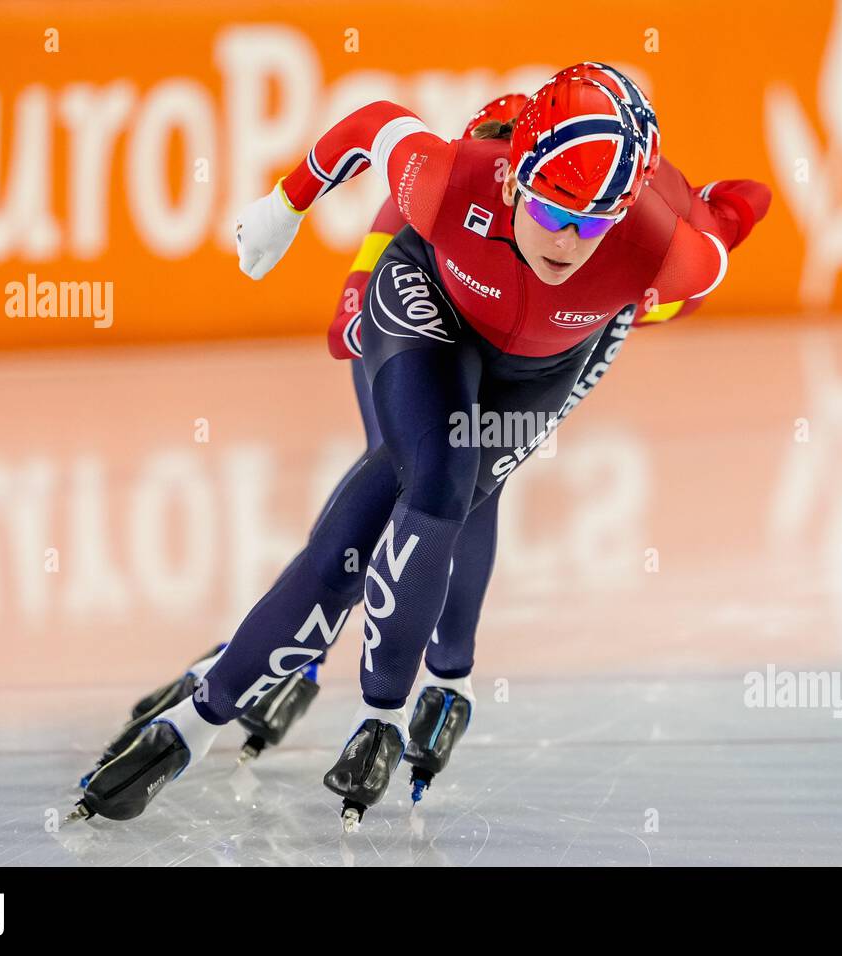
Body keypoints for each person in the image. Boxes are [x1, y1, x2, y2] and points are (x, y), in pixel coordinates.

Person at [73, 65, 769, 831]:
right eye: (551, 209)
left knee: (460, 486)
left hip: (542, 364)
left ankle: (413, 680)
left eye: (594, 222)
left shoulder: (669, 254)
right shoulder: (450, 180)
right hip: (427, 309)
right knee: (425, 477)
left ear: (627, 206)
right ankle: (301, 696)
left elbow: (717, 235)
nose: (568, 241)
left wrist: (727, 212)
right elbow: (371, 132)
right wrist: (290, 216)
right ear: (508, 178)